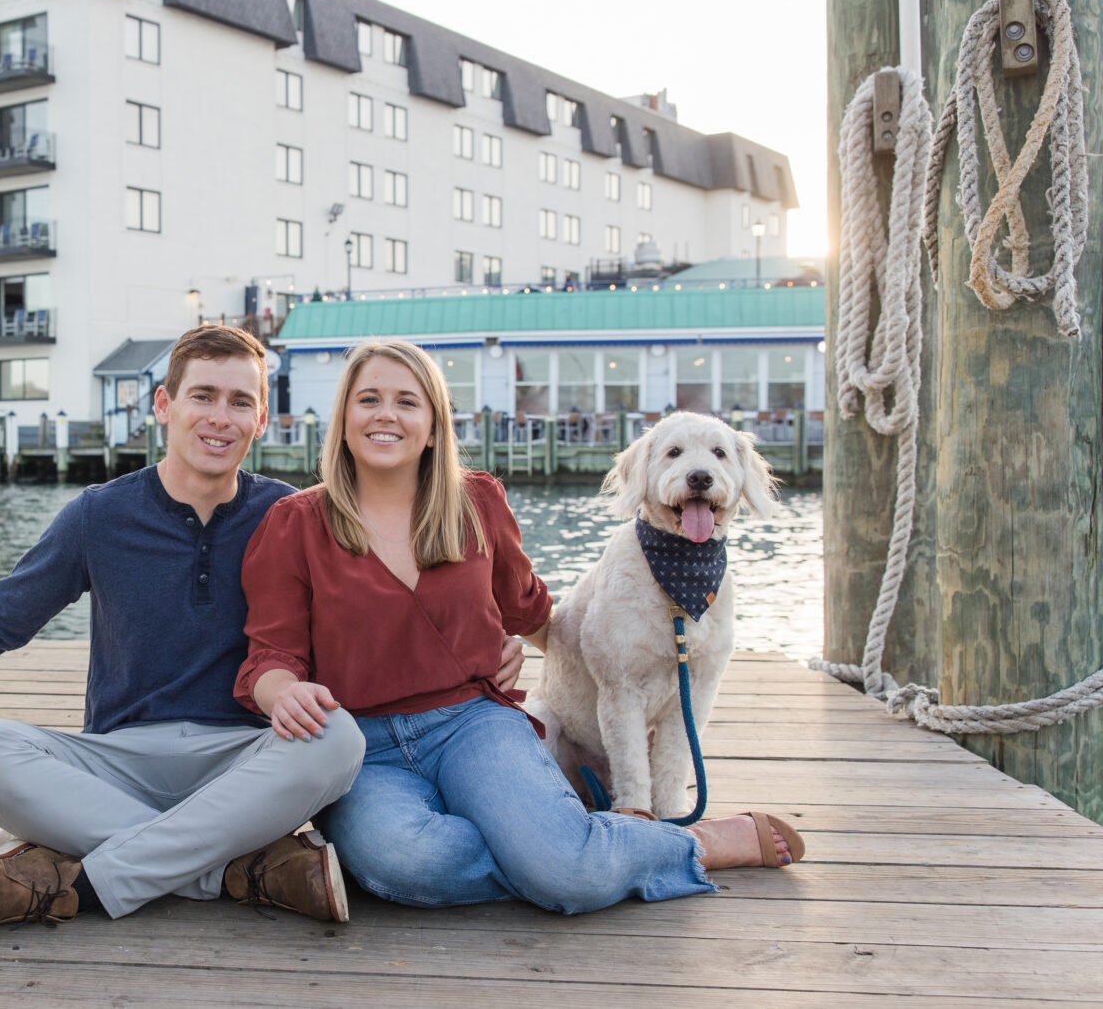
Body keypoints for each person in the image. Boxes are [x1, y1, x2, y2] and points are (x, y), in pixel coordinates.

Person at [0, 324, 370, 927]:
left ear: (261, 420)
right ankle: (230, 869)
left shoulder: (288, 515)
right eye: (202, 396)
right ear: (164, 405)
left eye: (240, 402)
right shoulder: (98, 515)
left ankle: (82, 881)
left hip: (241, 757)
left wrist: (486, 646)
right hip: (115, 759)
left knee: (339, 739)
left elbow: (360, 619)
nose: (219, 418)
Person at [234, 339, 804, 916]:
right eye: (369, 399)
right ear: (344, 419)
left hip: (473, 724)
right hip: (362, 744)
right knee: (405, 864)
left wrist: (614, 642)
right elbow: (269, 656)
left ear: (433, 426)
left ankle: (641, 848)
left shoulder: (476, 502)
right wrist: (284, 691)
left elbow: (532, 613)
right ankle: (612, 847)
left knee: (563, 872)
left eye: (407, 401)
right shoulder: (294, 523)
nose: (387, 413)